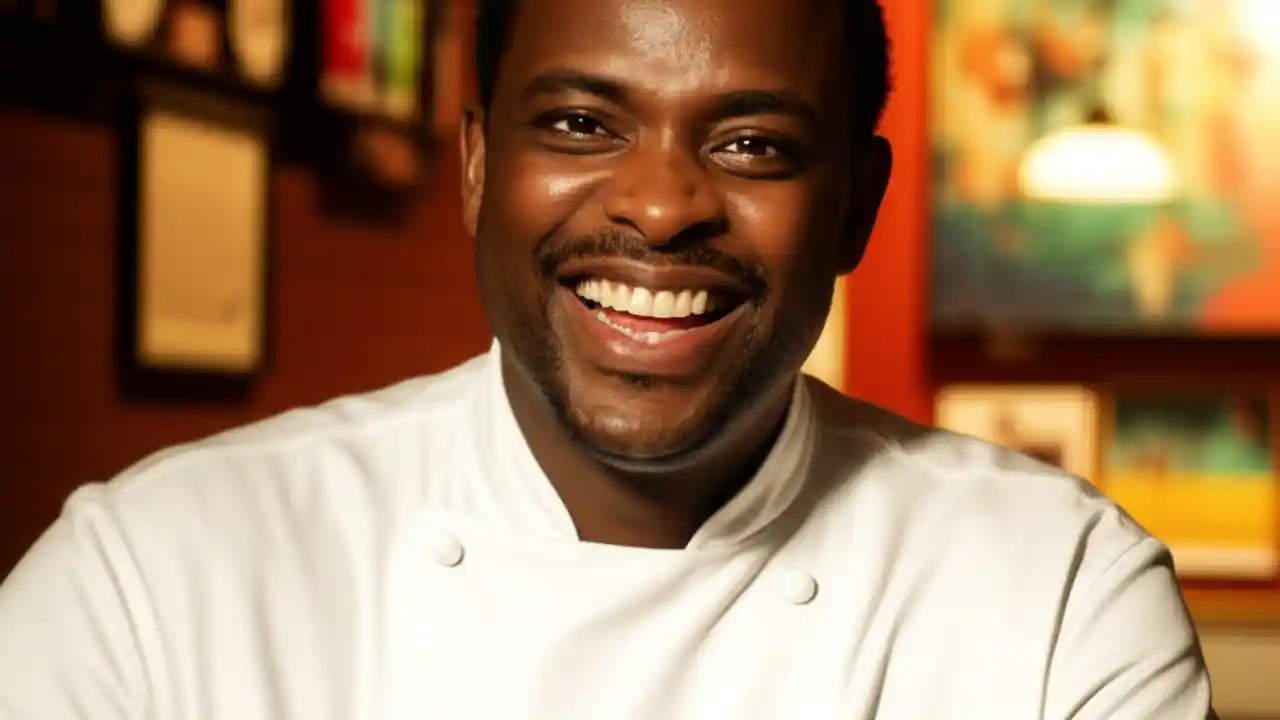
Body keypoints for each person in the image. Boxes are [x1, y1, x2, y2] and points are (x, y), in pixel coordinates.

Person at [0, 0, 1214, 717]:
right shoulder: (149, 581)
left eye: (751, 143)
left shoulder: (1054, 595)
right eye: (581, 124)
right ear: (478, 166)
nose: (659, 204)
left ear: (856, 207)